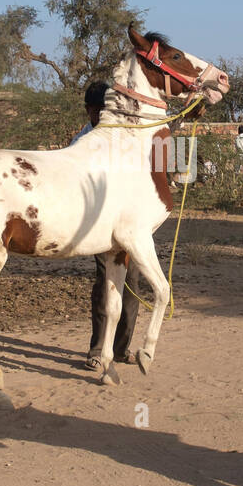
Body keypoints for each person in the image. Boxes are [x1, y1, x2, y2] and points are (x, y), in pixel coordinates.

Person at [71, 82, 142, 373]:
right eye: (97, 109)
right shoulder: (81, 143)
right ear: (89, 110)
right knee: (106, 285)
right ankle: (98, 350)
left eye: (106, 109)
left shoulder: (124, 139)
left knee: (133, 287)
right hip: (100, 227)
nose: (101, 114)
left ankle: (122, 348)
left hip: (129, 224)